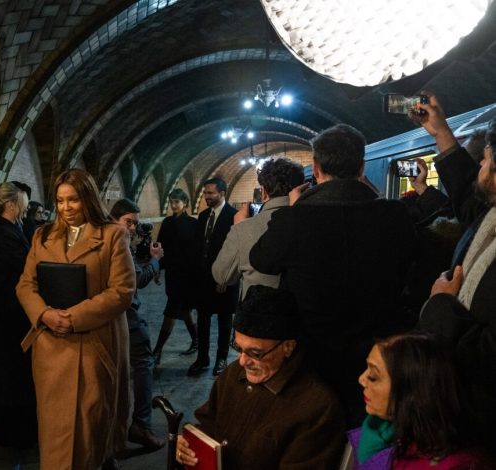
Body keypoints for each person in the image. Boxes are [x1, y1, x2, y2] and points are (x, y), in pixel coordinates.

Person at [249, 124, 417, 426]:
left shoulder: (294, 219)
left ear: (315, 168)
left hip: (313, 360)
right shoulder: (394, 216)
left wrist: (297, 209)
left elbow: (261, 259)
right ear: (361, 167)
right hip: (380, 360)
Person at [15, 168, 135, 470]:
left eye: (73, 200)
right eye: (60, 201)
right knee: (55, 430)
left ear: (88, 199)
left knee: (89, 426)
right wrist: (44, 314)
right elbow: (26, 284)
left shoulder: (112, 236)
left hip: (94, 344)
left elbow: (121, 290)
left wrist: (73, 317)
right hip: (51, 347)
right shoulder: (42, 236)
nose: (66, 208)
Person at [175, 286, 346, 469]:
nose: (242, 362)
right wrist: (189, 445)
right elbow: (209, 424)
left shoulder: (316, 408)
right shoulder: (234, 374)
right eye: (238, 348)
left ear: (288, 347)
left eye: (256, 353)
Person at [412, 94, 496, 455]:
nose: (480, 168)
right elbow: (469, 198)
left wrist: (442, 306)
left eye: (487, 162)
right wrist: (441, 133)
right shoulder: (490, 217)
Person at [349, 333, 489, 469]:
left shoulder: (461, 465)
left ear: (412, 393)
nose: (361, 379)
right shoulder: (377, 430)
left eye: (373, 377)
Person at [0, 182, 37, 447]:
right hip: (9, 315)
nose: (26, 207)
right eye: (23, 202)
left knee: (13, 373)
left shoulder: (9, 229)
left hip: (9, 312)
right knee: (12, 373)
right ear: (11, 204)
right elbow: (22, 269)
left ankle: (14, 428)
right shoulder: (4, 233)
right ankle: (13, 433)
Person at [110, 199, 165, 451]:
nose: (132, 228)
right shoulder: (117, 244)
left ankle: (116, 431)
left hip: (115, 318)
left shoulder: (109, 240)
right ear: (114, 219)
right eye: (128, 222)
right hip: (129, 317)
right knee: (143, 364)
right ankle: (141, 425)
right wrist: (154, 262)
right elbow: (136, 281)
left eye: (135, 223)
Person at [211, 157, 304, 298]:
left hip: (260, 314)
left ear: (263, 192)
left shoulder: (244, 228)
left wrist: (240, 227)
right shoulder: (317, 221)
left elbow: (222, 275)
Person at [188, 177, 238, 377]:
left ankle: (221, 358)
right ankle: (202, 358)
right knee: (203, 320)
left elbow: (235, 251)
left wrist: (225, 277)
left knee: (225, 321)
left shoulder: (234, 216)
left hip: (224, 281)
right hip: (203, 280)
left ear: (222, 193)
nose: (206, 197)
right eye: (205, 193)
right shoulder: (203, 216)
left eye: (210, 193)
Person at [153, 188, 198, 364]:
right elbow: (161, 247)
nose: (173, 205)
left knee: (171, 311)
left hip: (187, 276)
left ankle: (158, 349)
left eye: (176, 202)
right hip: (172, 273)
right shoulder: (167, 223)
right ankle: (196, 341)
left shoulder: (193, 224)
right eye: (171, 201)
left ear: (185, 203)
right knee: (185, 310)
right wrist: (158, 268)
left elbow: (196, 252)